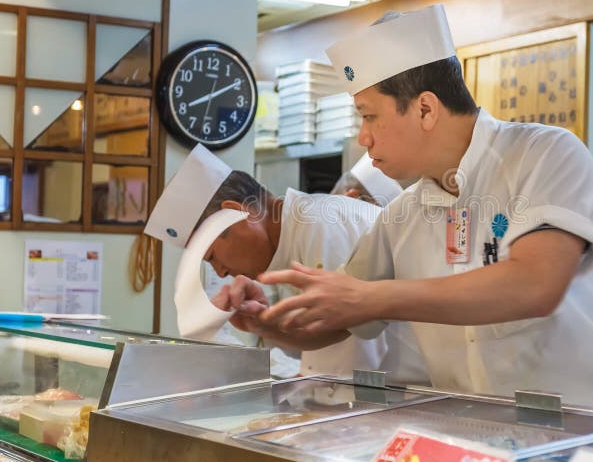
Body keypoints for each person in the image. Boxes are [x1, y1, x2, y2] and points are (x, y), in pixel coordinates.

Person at [221, 4, 593, 412]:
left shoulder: (544, 153)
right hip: (494, 435)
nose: (363, 138)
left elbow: (535, 284)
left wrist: (373, 296)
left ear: (425, 109)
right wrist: (269, 323)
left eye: (369, 116)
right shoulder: (402, 216)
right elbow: (340, 321)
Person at [144, 144, 427, 384]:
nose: (220, 271)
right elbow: (326, 337)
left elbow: (353, 360)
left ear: (235, 214)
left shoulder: (320, 225)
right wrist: (265, 326)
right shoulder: (295, 238)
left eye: (212, 256)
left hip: (416, 400)